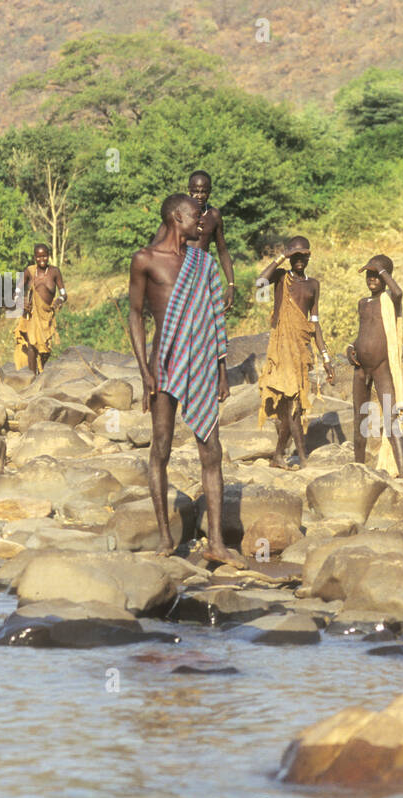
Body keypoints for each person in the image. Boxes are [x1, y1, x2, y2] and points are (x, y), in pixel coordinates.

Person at [127, 194, 241, 565]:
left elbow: (214, 317)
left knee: (212, 450)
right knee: (161, 445)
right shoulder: (145, 260)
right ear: (178, 217)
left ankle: (217, 544)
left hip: (202, 362)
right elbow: (135, 316)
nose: (201, 220)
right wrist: (144, 371)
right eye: (195, 216)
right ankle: (164, 538)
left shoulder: (202, 262)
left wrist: (222, 370)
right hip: (164, 361)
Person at [256, 236, 335, 470]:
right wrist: (282, 256)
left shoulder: (313, 285)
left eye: (303, 256)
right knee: (291, 403)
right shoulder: (281, 277)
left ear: (309, 257)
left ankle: (279, 456)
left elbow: (315, 322)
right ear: (290, 257)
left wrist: (326, 356)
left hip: (301, 350)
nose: (299, 260)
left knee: (296, 406)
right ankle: (301, 457)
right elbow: (260, 282)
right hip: (281, 349)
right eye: (295, 256)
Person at [346, 254, 403, 478]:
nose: (372, 279)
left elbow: (399, 292)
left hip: (382, 368)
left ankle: (402, 470)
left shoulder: (390, 300)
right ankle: (358, 466)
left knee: (391, 415)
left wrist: (383, 271)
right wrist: (350, 347)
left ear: (386, 278)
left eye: (377, 275)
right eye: (369, 274)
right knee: (359, 419)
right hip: (361, 369)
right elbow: (362, 332)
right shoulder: (363, 303)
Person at [149, 170, 236, 310]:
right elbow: (154, 247)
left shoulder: (214, 216)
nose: (199, 196)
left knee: (202, 323)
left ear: (210, 191)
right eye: (196, 191)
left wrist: (231, 285)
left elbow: (223, 251)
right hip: (175, 278)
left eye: (204, 191)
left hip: (201, 279)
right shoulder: (177, 214)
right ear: (189, 190)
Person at [15, 244, 65, 374]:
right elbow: (16, 292)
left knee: (45, 349)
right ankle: (32, 378)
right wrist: (21, 301)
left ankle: (41, 371)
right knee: (32, 345)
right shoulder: (29, 272)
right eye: (39, 256)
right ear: (35, 257)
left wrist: (60, 300)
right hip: (32, 314)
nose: (42, 259)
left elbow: (64, 294)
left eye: (44, 256)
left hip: (47, 315)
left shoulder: (55, 272)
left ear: (48, 256)